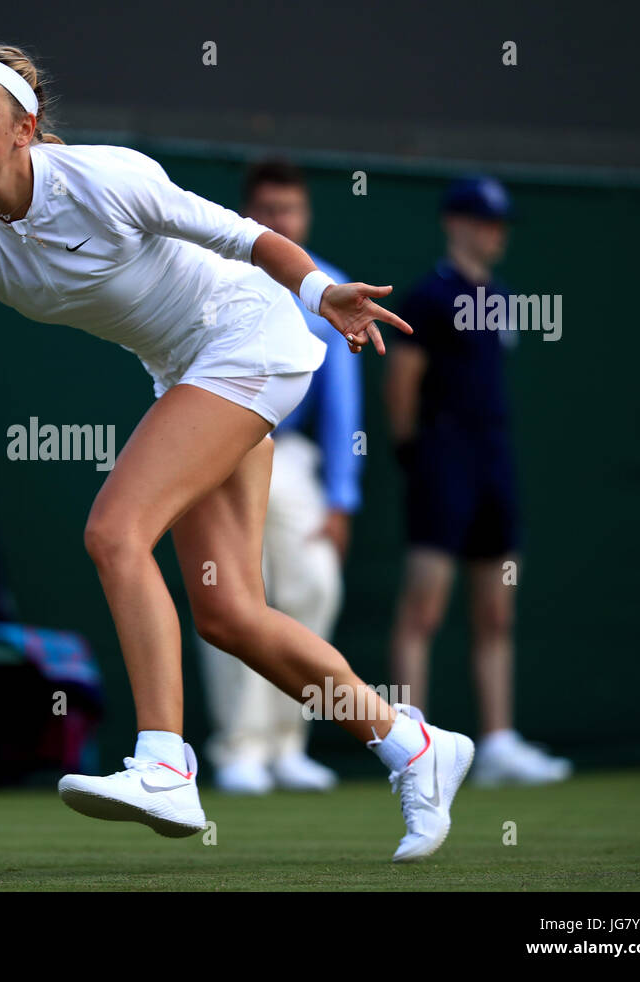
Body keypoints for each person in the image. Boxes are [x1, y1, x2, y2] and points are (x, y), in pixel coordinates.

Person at [0, 40, 473, 861]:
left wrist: (323, 293)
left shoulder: (105, 179)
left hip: (247, 336)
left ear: (24, 127)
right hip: (187, 369)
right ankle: (415, 748)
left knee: (116, 532)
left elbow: (246, 235)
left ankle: (164, 764)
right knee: (229, 613)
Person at [384, 177, 571, 787]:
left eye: (501, 224)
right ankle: (412, 749)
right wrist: (416, 453)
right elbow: (401, 383)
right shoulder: (429, 297)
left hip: (494, 462)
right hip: (442, 462)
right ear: (455, 223)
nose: (496, 234)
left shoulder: (503, 298)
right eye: (485, 222)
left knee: (496, 611)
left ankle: (497, 744)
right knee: (423, 608)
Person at [197, 161, 361, 794]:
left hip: (290, 456)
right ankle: (239, 749)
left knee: (314, 584)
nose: (280, 220)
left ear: (305, 215)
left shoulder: (332, 288)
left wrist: (341, 498)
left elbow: (343, 405)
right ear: (247, 214)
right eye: (267, 209)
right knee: (232, 593)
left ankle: (288, 745)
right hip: (218, 447)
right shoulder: (213, 273)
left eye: (289, 209)